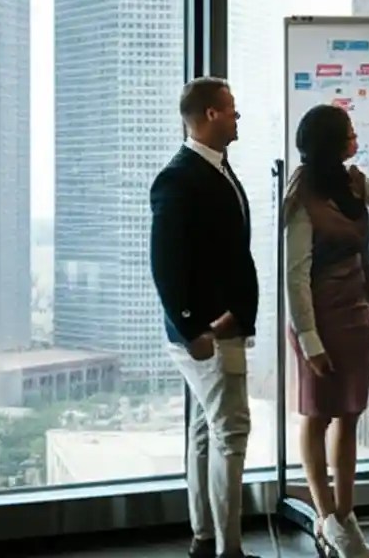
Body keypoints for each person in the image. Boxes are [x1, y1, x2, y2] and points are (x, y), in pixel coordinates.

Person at [284, 104, 369, 558]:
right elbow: (295, 277)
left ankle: (346, 517)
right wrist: (309, 341)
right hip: (319, 318)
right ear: (332, 142)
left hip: (354, 312)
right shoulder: (301, 196)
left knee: (349, 413)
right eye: (350, 133)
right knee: (317, 414)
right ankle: (327, 518)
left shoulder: (352, 182)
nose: (357, 139)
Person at [150, 77, 259, 558]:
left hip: (219, 327)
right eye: (232, 109)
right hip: (210, 334)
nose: (238, 116)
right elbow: (166, 263)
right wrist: (195, 327)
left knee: (205, 430)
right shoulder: (180, 177)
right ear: (210, 114)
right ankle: (228, 550)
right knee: (230, 433)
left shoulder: (215, 168)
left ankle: (206, 538)